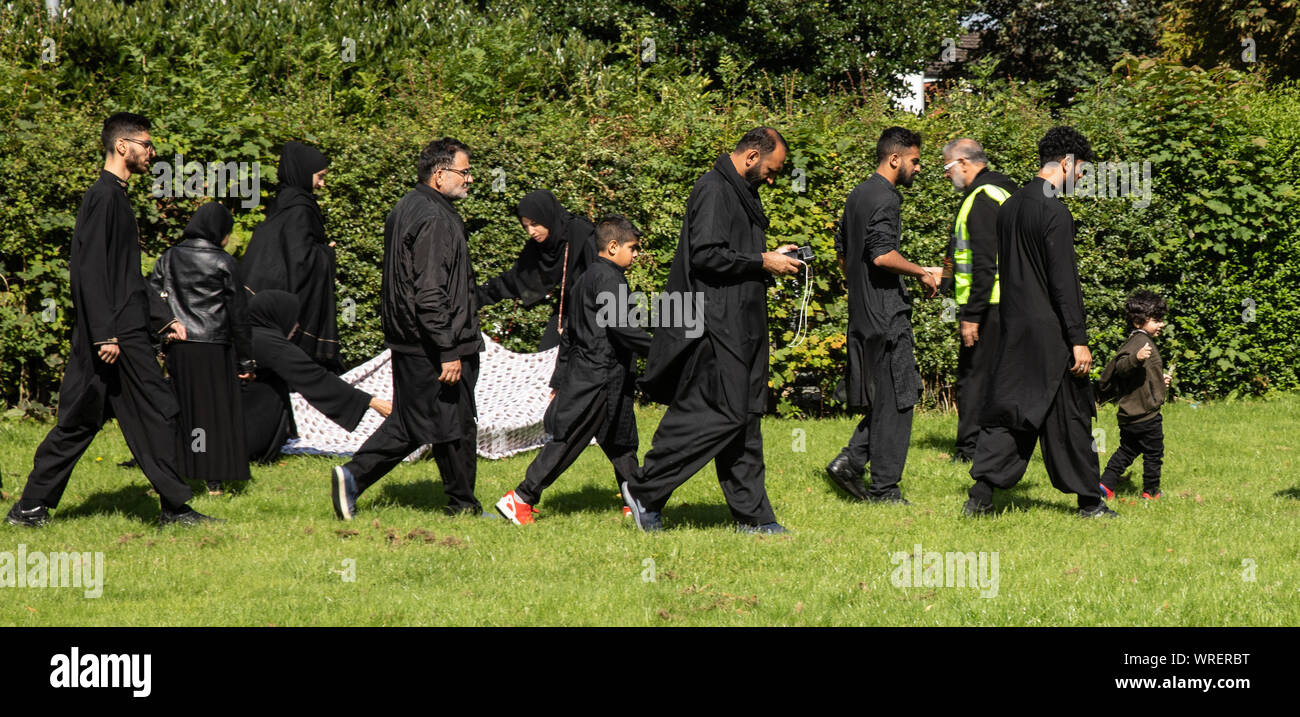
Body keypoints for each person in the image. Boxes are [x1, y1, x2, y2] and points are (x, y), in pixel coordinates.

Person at [6, 112, 219, 527]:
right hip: (111, 338)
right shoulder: (103, 197)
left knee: (151, 413)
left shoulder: (118, 197)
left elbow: (126, 274)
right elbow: (90, 272)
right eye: (146, 144)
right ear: (122, 146)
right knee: (82, 422)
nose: (151, 152)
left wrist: (161, 318)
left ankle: (174, 507)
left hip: (126, 332)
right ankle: (29, 507)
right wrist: (105, 334)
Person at [622, 127, 802, 533]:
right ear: (752, 156)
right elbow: (706, 255)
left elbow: (734, 251)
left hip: (743, 323)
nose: (773, 178)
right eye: (772, 170)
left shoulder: (742, 192)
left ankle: (754, 517)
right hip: (716, 326)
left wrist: (773, 256)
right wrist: (762, 261)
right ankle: (645, 490)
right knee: (716, 413)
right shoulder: (714, 189)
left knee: (746, 417)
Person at [964, 126, 1115, 518]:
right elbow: (1064, 282)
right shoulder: (1055, 211)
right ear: (1066, 162)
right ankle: (1090, 504)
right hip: (1052, 334)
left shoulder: (1011, 205)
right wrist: (1078, 339)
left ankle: (980, 497)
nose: (1082, 177)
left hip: (1015, 330)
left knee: (1013, 413)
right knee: (1074, 417)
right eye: (1081, 169)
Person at [329, 138, 483, 520]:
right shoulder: (433, 217)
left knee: (450, 423)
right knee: (420, 423)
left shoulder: (408, 206)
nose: (471, 179)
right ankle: (353, 476)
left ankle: (463, 505)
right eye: (464, 172)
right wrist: (447, 349)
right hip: (433, 343)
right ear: (439, 175)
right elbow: (429, 290)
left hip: (415, 339)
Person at [495, 215, 652, 524]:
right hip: (599, 376)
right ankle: (521, 498)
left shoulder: (584, 280)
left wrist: (559, 379)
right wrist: (661, 349)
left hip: (600, 374)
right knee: (568, 440)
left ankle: (637, 496)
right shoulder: (609, 278)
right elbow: (622, 328)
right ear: (612, 246)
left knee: (621, 441)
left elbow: (568, 335)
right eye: (632, 248)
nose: (635, 255)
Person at [824, 127, 937, 504]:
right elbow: (881, 253)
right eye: (915, 161)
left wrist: (860, 290)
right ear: (895, 158)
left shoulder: (858, 194)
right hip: (888, 317)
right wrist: (921, 271)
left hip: (863, 313)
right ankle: (884, 488)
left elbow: (843, 253)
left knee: (888, 398)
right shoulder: (886, 198)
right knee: (901, 398)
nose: (919, 169)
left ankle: (851, 462)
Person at [148, 202, 255, 496]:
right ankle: (213, 479)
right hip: (214, 348)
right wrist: (245, 361)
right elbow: (239, 316)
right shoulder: (224, 262)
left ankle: (175, 473)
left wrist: (159, 341)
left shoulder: (168, 258)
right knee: (213, 414)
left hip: (179, 346)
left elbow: (153, 299)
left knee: (181, 411)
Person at [939, 138, 1020, 463]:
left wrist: (971, 315)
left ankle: (969, 450)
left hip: (989, 307)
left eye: (946, 168)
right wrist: (943, 280)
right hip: (1007, 303)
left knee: (973, 378)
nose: (946, 175)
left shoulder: (983, 198)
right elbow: (962, 250)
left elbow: (986, 263)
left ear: (963, 163)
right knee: (1001, 378)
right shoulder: (1003, 190)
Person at [242, 290, 392, 463]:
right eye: (292, 317)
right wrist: (373, 402)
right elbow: (315, 378)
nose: (297, 325)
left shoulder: (248, 334)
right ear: (277, 315)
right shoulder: (270, 344)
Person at [239, 141, 341, 371]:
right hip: (286, 310)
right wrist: (326, 253)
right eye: (320, 176)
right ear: (305, 173)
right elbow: (300, 260)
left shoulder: (283, 202)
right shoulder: (299, 209)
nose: (322, 184)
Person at [476, 190, 598, 350]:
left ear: (547, 217)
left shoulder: (581, 233)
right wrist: (472, 298)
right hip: (567, 311)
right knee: (548, 355)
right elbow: (515, 279)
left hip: (594, 312)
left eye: (534, 224)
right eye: (525, 226)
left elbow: (601, 277)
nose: (531, 232)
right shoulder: (540, 246)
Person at [1098, 289, 1170, 500]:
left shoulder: (1139, 341)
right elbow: (1121, 367)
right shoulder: (1138, 344)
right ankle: (1151, 492)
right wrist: (1135, 359)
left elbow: (1141, 376)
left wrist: (1160, 380)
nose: (1161, 325)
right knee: (1154, 454)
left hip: (1131, 414)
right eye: (1156, 320)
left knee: (1128, 450)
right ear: (1139, 322)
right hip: (1145, 415)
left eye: (1161, 320)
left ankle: (1106, 485)